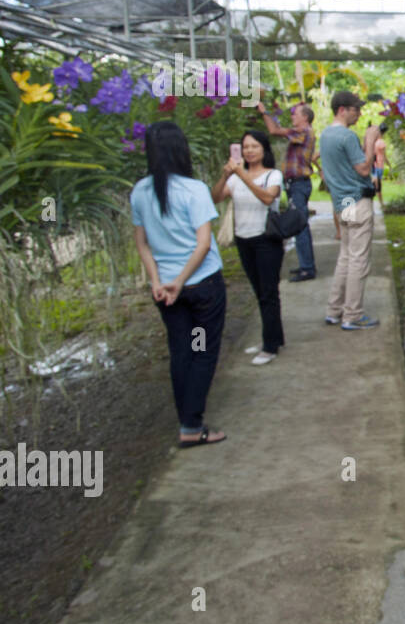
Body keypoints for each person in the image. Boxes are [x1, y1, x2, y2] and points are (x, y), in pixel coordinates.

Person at [130, 121, 227, 448]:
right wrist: (181, 282)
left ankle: (187, 418)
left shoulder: (140, 191)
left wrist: (159, 282)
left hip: (167, 292)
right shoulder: (193, 189)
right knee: (201, 350)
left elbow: (142, 244)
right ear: (180, 149)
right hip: (200, 289)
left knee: (181, 351)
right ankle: (191, 425)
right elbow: (203, 244)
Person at [212, 130, 284, 365]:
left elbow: (267, 199)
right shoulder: (234, 177)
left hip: (266, 240)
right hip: (243, 240)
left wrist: (242, 174)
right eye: (245, 147)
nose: (249, 151)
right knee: (259, 292)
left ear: (264, 149)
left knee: (268, 293)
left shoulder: (273, 175)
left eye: (254, 146)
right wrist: (225, 176)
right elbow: (215, 198)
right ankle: (272, 337)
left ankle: (270, 346)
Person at [319, 90, 379, 330]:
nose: (359, 114)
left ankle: (334, 310)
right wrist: (371, 141)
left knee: (345, 257)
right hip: (357, 201)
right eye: (356, 109)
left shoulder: (325, 135)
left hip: (342, 204)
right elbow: (364, 169)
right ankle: (352, 315)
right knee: (358, 260)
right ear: (342, 109)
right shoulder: (346, 136)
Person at [258, 100, 316, 282]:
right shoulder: (301, 133)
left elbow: (274, 131)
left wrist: (264, 111)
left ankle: (307, 268)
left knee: (300, 225)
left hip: (299, 184)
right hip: (296, 184)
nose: (292, 116)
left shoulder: (303, 131)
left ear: (305, 117)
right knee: (299, 224)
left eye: (295, 113)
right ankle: (305, 264)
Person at [371, 123, 389, 206]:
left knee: (376, 184)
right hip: (379, 165)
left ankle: (378, 203)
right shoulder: (381, 142)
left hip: (374, 164)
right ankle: (381, 204)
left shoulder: (374, 142)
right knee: (377, 185)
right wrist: (389, 164)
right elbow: (384, 156)